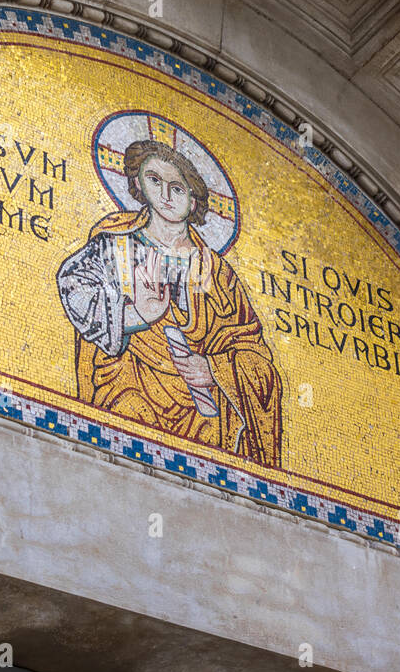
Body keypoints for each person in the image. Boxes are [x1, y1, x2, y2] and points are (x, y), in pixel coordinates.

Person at [57, 138, 283, 466]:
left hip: (203, 410)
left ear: (193, 203)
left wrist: (216, 370)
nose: (166, 195)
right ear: (137, 185)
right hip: (127, 389)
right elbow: (74, 288)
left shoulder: (217, 273)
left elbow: (256, 356)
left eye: (177, 188)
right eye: (155, 181)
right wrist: (138, 313)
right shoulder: (114, 243)